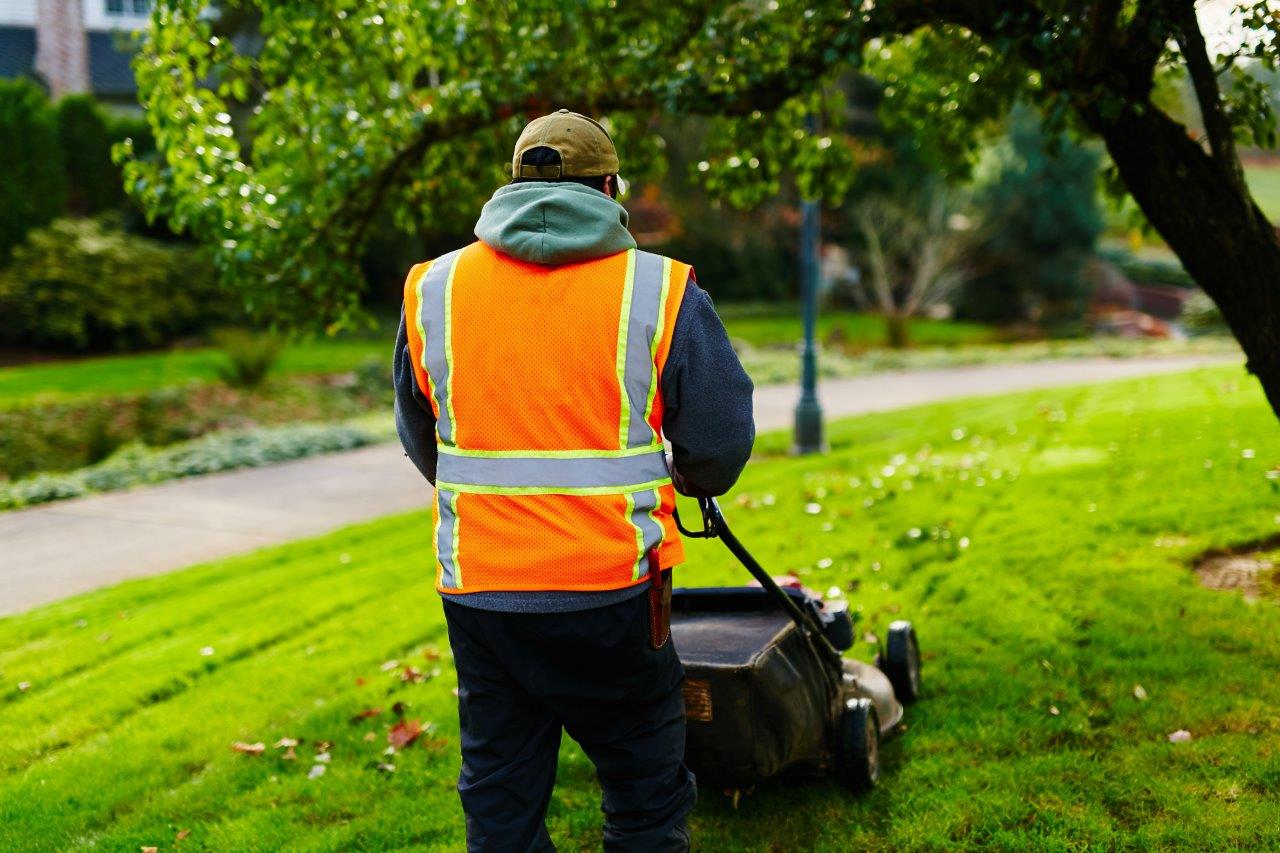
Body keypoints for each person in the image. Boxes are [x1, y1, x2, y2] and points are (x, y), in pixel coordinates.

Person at [393, 109, 754, 852]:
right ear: (611, 186)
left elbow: (421, 435)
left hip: (483, 593)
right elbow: (719, 441)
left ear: (513, 182)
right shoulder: (659, 289)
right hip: (613, 593)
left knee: (501, 796)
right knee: (644, 794)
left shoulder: (435, 288)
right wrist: (692, 476)